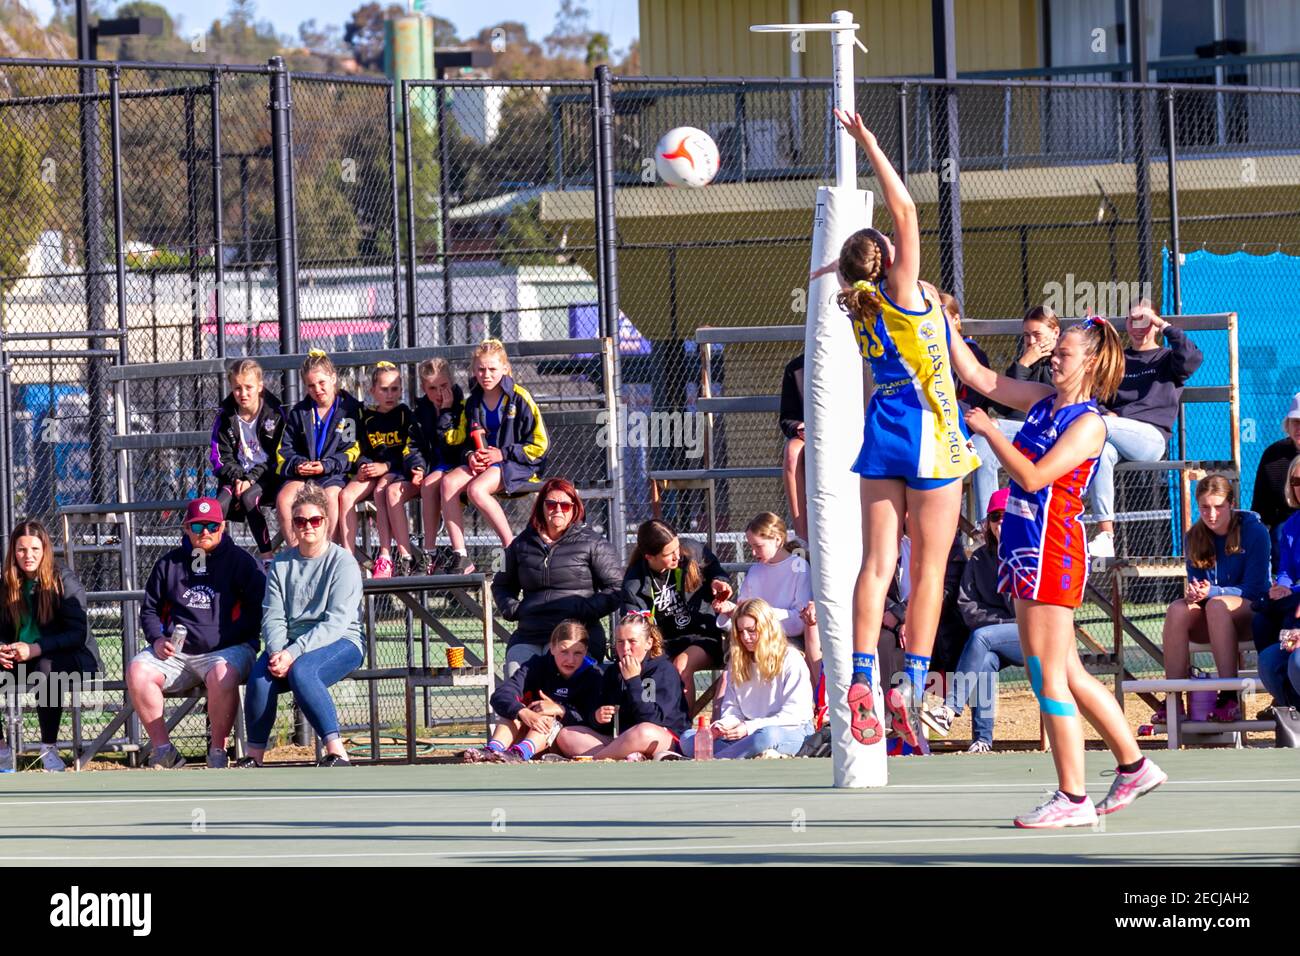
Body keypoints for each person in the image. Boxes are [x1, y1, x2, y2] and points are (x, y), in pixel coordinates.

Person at [949, 315, 1166, 827]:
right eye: (1055, 351)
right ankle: (1134, 767)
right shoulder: (1045, 402)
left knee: (1048, 678)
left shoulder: (1089, 422)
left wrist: (986, 430)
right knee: (1067, 672)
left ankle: (1072, 797)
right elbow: (983, 380)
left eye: (1064, 352)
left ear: (1089, 362)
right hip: (1027, 550)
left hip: (1052, 552)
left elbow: (1032, 474)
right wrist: (937, 322)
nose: (1054, 358)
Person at [811, 109, 980, 753]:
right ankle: (909, 680)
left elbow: (855, 270)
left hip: (880, 435)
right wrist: (871, 143)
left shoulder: (859, 306)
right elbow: (906, 213)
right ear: (886, 264)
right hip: (931, 438)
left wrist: (839, 269)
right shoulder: (906, 294)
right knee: (928, 568)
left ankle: (859, 674)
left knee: (877, 563)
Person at [127, 498, 265, 769]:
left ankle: (217, 752)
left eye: (212, 526)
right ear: (186, 528)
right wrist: (157, 640)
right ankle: (164, 750)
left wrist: (221, 638)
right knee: (137, 670)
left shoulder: (241, 562)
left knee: (222, 675)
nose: (205, 532)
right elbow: (150, 611)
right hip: (177, 654)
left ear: (222, 527)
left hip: (229, 649)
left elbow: (256, 612)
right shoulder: (169, 564)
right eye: (198, 526)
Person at [242, 483, 365, 768]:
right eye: (300, 521)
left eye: (314, 520)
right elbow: (272, 615)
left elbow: (336, 622)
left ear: (325, 522)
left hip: (342, 643)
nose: (307, 526)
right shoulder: (281, 564)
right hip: (288, 647)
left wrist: (293, 653)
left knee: (303, 671)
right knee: (260, 678)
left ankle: (337, 753)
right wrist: (276, 652)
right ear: (293, 526)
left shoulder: (343, 562)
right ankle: (254, 757)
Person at [1087, 301, 1204, 558]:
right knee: (1100, 453)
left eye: (1145, 320)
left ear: (1155, 323)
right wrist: (1107, 413)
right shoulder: (1119, 359)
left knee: (1091, 424)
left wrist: (1164, 326)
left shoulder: (1167, 358)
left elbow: (1193, 359)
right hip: (1113, 433)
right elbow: (1098, 399)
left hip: (1151, 438)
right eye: (1132, 320)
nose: (1138, 327)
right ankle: (1106, 534)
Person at [1157, 476, 1270, 724]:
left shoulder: (1255, 532)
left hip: (1252, 615)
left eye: (1218, 506)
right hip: (1212, 616)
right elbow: (1199, 586)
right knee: (1177, 609)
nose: (1211, 514)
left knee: (1218, 606)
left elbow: (1255, 589)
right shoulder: (1193, 537)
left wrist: (1212, 593)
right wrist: (1195, 594)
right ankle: (1173, 701)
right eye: (1205, 507)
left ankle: (1228, 696)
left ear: (1231, 504)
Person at [492, 478, 623, 677]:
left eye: (565, 505)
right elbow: (500, 584)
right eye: (551, 504)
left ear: (575, 508)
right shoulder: (520, 545)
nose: (558, 510)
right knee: (516, 680)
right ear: (541, 507)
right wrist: (513, 609)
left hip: (575, 633)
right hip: (530, 633)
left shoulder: (593, 543)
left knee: (559, 679)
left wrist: (583, 609)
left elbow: (616, 587)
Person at [441, 339, 549, 570]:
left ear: (505, 369)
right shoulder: (473, 403)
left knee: (476, 489)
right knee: (448, 483)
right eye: (481, 369)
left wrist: (503, 453)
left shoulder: (520, 397)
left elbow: (540, 444)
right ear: (474, 371)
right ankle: (461, 556)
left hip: (516, 462)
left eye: (492, 369)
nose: (486, 375)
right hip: (486, 464)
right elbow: (465, 440)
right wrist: (470, 455)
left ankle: (511, 548)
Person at [0, 520, 98, 772]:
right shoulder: (7, 582)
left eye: (34, 549)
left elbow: (77, 633)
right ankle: (2, 749)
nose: (28, 556)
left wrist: (36, 648)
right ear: (13, 551)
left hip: (66, 656)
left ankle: (49, 749)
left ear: (45, 549)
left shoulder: (63, 579)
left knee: (47, 669)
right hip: (21, 658)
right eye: (21, 550)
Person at [928, 488, 1020, 753]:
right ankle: (982, 739)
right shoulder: (979, 558)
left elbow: (1029, 609)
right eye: (995, 517)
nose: (1001, 523)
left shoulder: (1029, 554)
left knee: (981, 637)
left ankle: (950, 707)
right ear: (988, 523)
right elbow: (967, 607)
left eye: (1006, 516)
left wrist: (995, 626)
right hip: (997, 640)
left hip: (1033, 636)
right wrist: (1001, 625)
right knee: (986, 661)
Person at [621, 519, 733, 710]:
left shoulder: (692, 551)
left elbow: (715, 568)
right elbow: (638, 629)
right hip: (664, 642)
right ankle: (660, 724)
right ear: (649, 557)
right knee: (656, 671)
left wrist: (718, 581)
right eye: (668, 553)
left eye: (677, 547)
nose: (677, 556)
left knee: (681, 665)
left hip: (702, 635)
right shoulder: (634, 583)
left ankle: (683, 730)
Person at [681, 598, 813, 759]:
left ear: (767, 629)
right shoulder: (738, 662)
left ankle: (719, 758)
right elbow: (732, 710)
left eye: (752, 630)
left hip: (789, 730)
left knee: (765, 736)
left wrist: (749, 727)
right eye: (740, 631)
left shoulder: (791, 658)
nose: (745, 637)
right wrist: (721, 727)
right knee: (688, 738)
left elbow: (794, 714)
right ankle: (742, 753)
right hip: (747, 733)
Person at [464, 621, 604, 763]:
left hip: (564, 741)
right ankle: (491, 750)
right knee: (514, 711)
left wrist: (561, 710)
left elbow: (592, 719)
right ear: (552, 648)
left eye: (578, 653)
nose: (570, 659)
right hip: (530, 736)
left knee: (548, 717)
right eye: (564, 651)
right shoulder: (536, 666)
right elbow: (501, 695)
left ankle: (519, 754)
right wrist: (523, 712)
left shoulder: (593, 675)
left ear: (586, 651)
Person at [556, 612, 689, 761]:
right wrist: (597, 718)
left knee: (644, 731)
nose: (625, 648)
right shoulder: (613, 671)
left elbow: (653, 721)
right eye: (620, 641)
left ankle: (593, 761)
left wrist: (633, 680)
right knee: (566, 735)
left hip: (660, 739)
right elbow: (604, 723)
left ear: (648, 643)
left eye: (632, 641)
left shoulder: (664, 670)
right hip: (621, 741)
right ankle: (622, 757)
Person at [969, 305, 1061, 518]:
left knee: (986, 435)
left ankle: (987, 523)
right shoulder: (1025, 362)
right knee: (982, 449)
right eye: (1027, 335)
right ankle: (990, 525)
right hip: (1014, 431)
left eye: (1037, 334)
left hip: (1042, 430)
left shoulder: (1060, 363)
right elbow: (1001, 405)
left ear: (1055, 332)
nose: (1031, 342)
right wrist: (1024, 363)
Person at [338, 361, 425, 577]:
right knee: (345, 496)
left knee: (381, 490)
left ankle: (386, 556)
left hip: (396, 471)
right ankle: (348, 560)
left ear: (401, 390)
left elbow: (411, 450)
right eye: (384, 389)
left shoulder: (405, 414)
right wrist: (362, 465)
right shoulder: (366, 417)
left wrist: (386, 466)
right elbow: (360, 448)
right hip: (374, 471)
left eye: (394, 389)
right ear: (373, 391)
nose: (390, 394)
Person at [715, 512, 819, 689]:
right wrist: (729, 612)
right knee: (728, 676)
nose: (754, 553)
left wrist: (759, 614)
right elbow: (743, 618)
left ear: (778, 540)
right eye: (751, 546)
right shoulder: (755, 571)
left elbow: (799, 622)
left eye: (758, 546)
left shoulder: (798, 567)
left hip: (786, 641)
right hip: (750, 640)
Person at [276, 350, 362, 545]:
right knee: (284, 498)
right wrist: (298, 464)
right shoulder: (300, 412)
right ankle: (297, 554)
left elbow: (351, 450)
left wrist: (327, 466)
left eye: (321, 383)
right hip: (304, 475)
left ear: (333, 378)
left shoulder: (349, 410)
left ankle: (325, 553)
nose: (317, 389)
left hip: (334, 474)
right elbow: (284, 450)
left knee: (331, 498)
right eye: (311, 386)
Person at [210, 358, 284, 566]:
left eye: (249, 387)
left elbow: (280, 456)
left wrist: (250, 479)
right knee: (217, 507)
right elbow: (218, 457)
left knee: (249, 498)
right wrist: (239, 477)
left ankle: (267, 558)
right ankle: (215, 559)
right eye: (237, 388)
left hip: (268, 476)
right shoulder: (225, 416)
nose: (243, 394)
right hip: (236, 477)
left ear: (260, 386)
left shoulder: (275, 414)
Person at [402, 357, 466, 574]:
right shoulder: (421, 412)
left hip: (458, 462)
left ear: (452, 383)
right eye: (432, 388)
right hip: (434, 467)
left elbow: (452, 446)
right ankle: (430, 552)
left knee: (432, 483)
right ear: (423, 388)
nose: (439, 393)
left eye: (444, 386)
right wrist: (417, 466)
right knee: (426, 484)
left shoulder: (462, 406)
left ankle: (443, 551)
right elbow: (413, 445)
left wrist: (447, 412)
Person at [1255, 457, 1300, 724]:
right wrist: (1281, 587)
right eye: (1296, 481)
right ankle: (1291, 710)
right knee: (1270, 660)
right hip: (1294, 598)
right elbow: (1285, 569)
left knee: (1296, 663)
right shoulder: (1292, 524)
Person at [1250, 392, 1300, 555]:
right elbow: (1261, 507)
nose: (1299, 428)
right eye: (1296, 422)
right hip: (1285, 529)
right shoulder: (1274, 455)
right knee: (1279, 533)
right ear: (1287, 424)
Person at [940, 292, 992, 413]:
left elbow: (973, 401)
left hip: (962, 419)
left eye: (940, 319)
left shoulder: (972, 352)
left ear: (956, 319)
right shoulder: (928, 350)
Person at [778, 353, 809, 545]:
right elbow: (786, 419)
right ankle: (802, 535)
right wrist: (799, 427)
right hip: (811, 437)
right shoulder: (795, 368)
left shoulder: (859, 360)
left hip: (851, 434)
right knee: (792, 451)